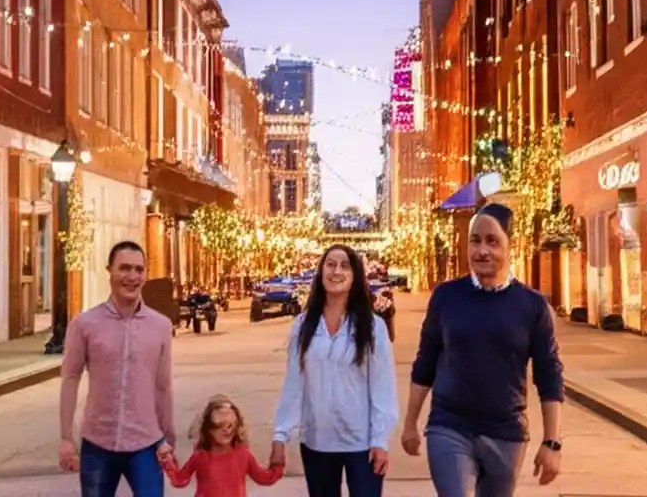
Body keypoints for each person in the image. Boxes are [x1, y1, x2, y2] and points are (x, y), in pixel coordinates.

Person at [400, 203, 565, 496]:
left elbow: (549, 375)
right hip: (449, 426)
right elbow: (425, 361)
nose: (482, 250)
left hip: (506, 433)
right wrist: (410, 422)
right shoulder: (447, 297)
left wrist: (552, 442)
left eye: (492, 241)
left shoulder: (532, 306)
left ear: (510, 245)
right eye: (475, 240)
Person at [271, 244, 400, 497]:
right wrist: (281, 434)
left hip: (361, 443)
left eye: (344, 265)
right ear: (320, 272)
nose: (336, 271)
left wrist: (380, 440)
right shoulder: (304, 325)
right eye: (330, 264)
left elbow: (383, 388)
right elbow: (294, 383)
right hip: (318, 442)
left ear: (355, 276)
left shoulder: (372, 327)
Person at [59, 240, 176, 497]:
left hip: (146, 442)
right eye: (124, 268)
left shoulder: (161, 326)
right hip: (98, 441)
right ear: (109, 271)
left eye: (139, 269)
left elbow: (163, 385)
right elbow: (70, 377)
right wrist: (67, 437)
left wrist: (169, 436)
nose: (132, 277)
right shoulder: (85, 324)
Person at [159, 395, 284, 496]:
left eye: (231, 425)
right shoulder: (201, 456)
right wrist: (167, 460)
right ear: (208, 429)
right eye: (219, 425)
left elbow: (264, 478)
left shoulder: (243, 454)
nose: (225, 430)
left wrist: (278, 461)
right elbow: (180, 480)